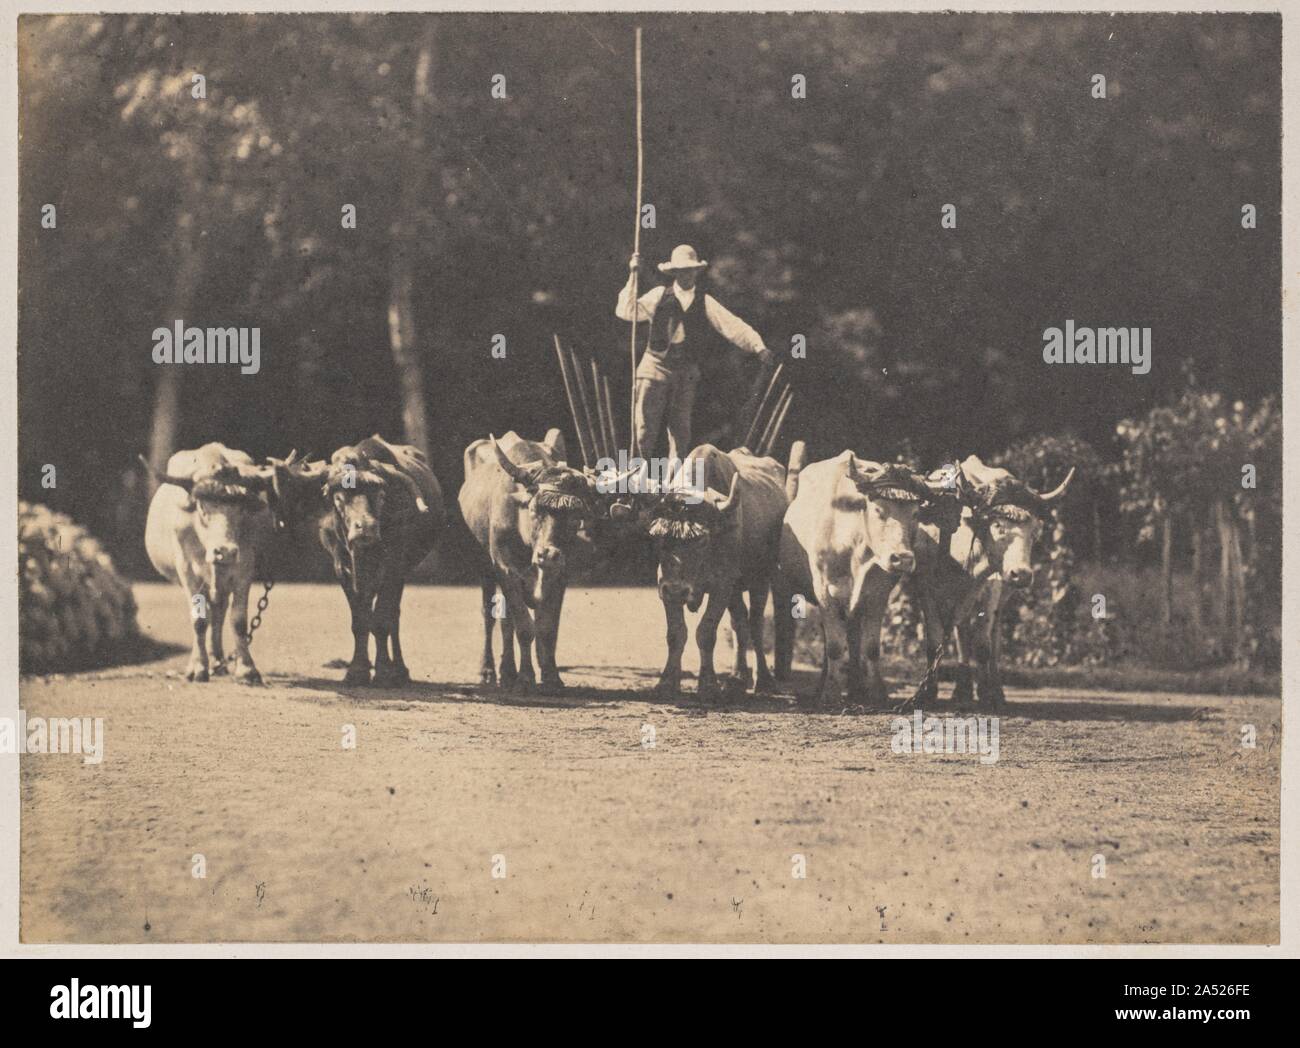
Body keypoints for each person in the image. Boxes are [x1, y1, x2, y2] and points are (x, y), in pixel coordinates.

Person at [616, 244, 775, 464]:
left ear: (696, 272)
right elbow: (627, 311)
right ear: (674, 273)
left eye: (690, 270)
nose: (687, 274)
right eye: (682, 270)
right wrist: (633, 276)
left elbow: (731, 325)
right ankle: (636, 475)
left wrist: (758, 346)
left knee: (681, 432)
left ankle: (675, 482)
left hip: (685, 371)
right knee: (644, 428)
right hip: (654, 365)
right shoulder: (660, 295)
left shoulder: (704, 301)